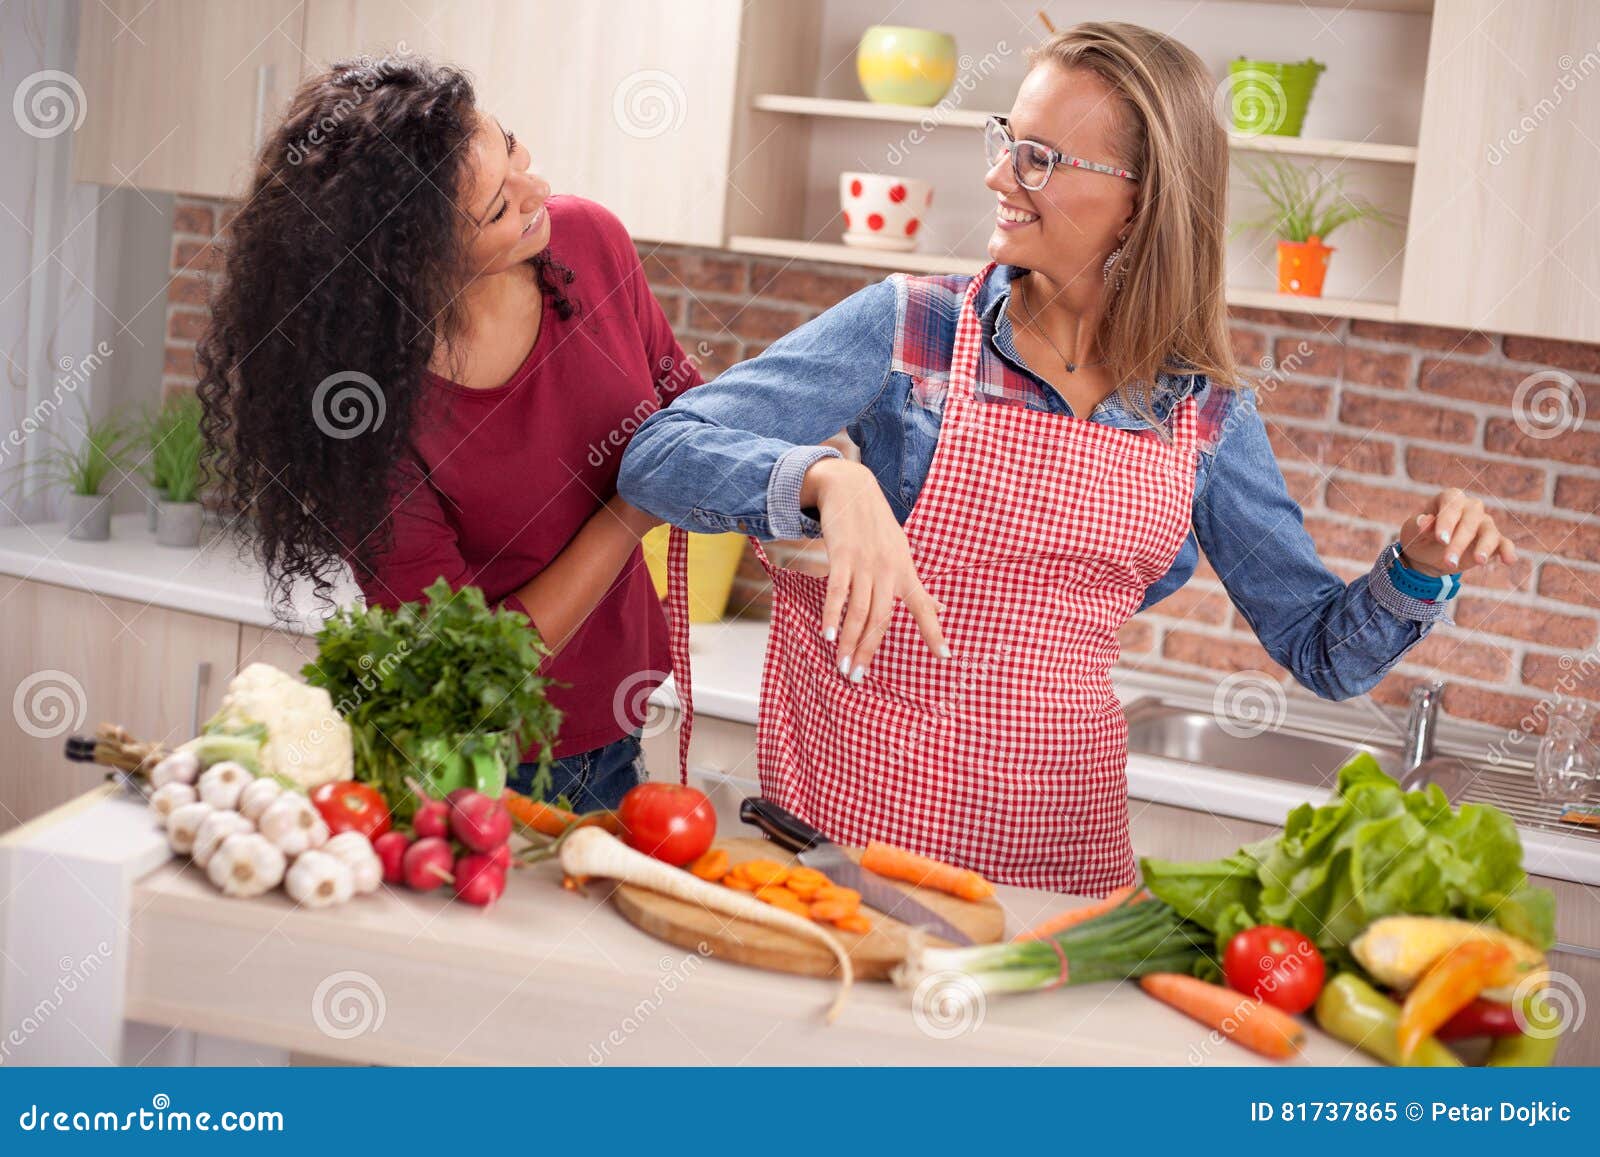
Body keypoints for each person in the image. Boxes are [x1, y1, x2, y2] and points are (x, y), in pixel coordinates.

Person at [618, 23, 1517, 894]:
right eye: (1008, 139)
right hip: (855, 841)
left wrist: (1421, 568)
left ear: (1143, 199)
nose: (998, 175)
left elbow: (1324, 653)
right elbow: (659, 455)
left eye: (1040, 159)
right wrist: (826, 479)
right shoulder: (910, 330)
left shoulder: (1203, 410)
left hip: (1063, 862)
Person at [199, 56, 698, 811]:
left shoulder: (588, 242)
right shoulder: (362, 420)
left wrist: (811, 477)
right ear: (415, 264)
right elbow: (468, 672)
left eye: (514, 148)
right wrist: (632, 510)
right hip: (474, 772)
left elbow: (685, 405)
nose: (536, 190)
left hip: (614, 731)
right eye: (499, 208)